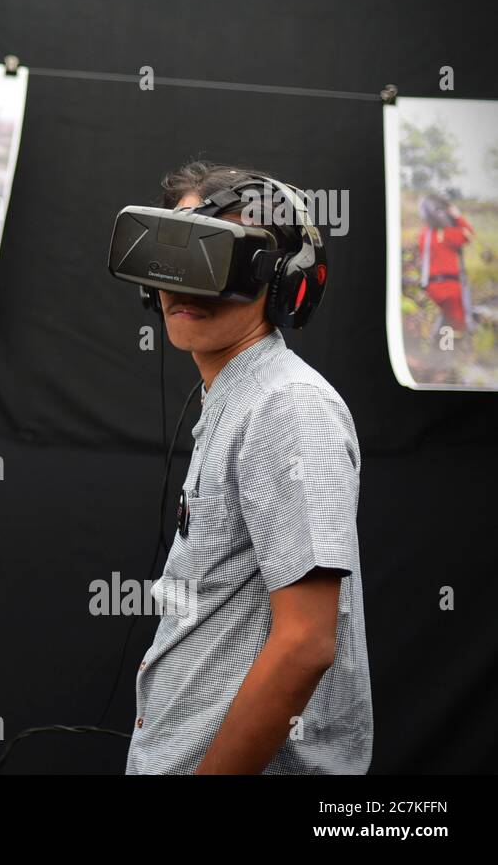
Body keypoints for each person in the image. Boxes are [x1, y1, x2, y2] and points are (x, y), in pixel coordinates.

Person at [125, 162, 372, 775]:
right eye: (173, 253)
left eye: (216, 259)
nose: (184, 284)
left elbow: (305, 643)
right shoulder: (238, 399)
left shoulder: (287, 406)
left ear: (282, 282)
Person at [417, 193, 475, 331]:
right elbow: (469, 234)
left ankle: (438, 346)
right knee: (455, 328)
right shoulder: (448, 233)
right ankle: (448, 350)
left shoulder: (425, 234)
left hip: (430, 287)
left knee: (443, 324)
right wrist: (458, 216)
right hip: (449, 287)